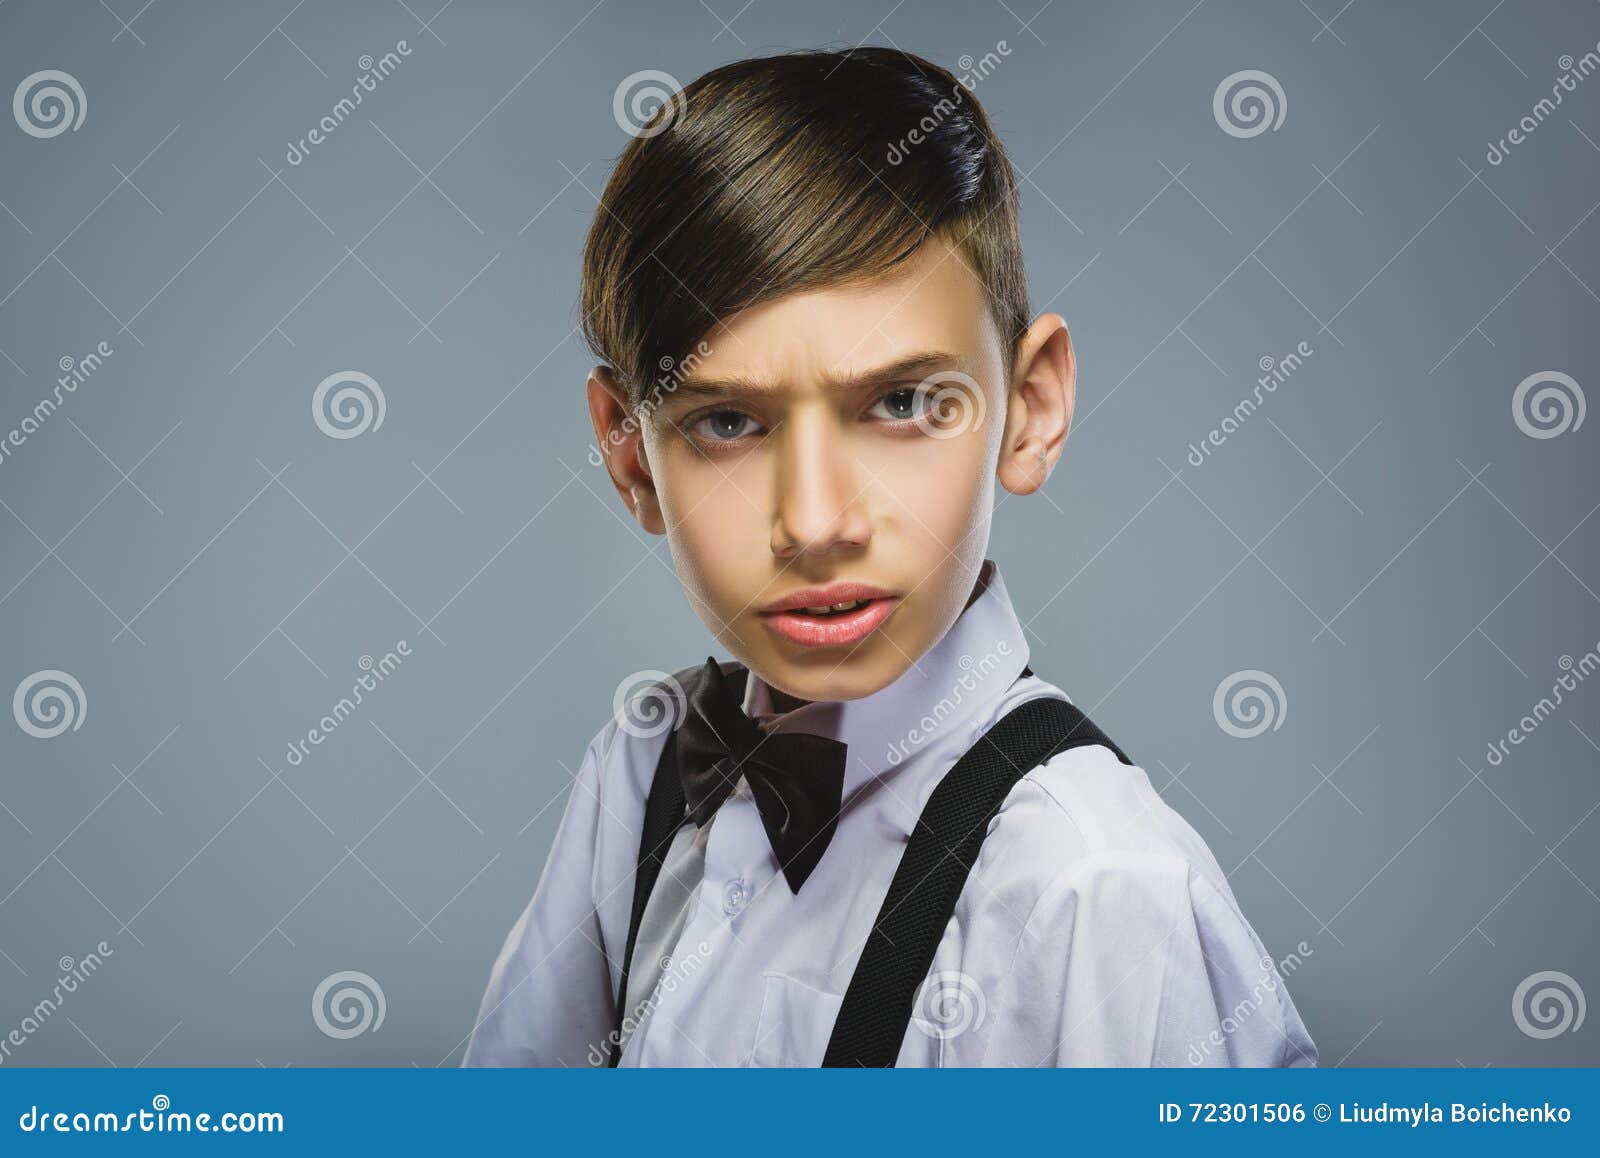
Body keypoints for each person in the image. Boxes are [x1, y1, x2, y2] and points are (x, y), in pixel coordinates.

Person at [464, 47, 1316, 1068]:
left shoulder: (1093, 887)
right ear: (629, 455)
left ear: (1030, 407)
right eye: (728, 422)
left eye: (903, 403)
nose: (816, 522)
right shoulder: (640, 775)